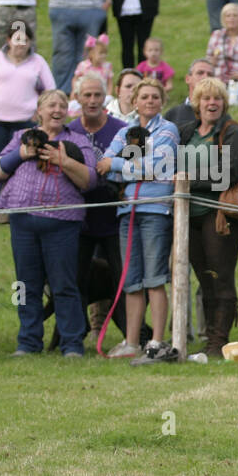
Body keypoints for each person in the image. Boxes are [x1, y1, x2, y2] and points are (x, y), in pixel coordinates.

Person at [0, 88, 97, 355]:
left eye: (62, 106)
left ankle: (71, 343)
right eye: (51, 105)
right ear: (39, 110)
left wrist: (63, 161)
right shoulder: (21, 137)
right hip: (23, 221)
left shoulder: (77, 140)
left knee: (64, 284)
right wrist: (22, 154)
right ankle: (27, 341)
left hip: (63, 223)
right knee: (24, 285)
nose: (56, 110)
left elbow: (90, 180)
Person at [97, 77, 179, 361]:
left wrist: (122, 164)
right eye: (144, 97)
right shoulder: (126, 131)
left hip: (155, 209)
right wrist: (126, 167)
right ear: (135, 101)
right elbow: (104, 166)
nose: (149, 101)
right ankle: (132, 341)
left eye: (155, 97)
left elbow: (156, 167)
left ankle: (156, 341)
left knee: (154, 277)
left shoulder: (168, 131)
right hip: (127, 210)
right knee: (132, 280)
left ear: (161, 102)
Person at [174, 75, 238, 358]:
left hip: (219, 214)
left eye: (217, 98)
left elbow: (227, 175)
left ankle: (218, 341)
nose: (212, 103)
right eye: (206, 98)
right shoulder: (186, 131)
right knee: (204, 277)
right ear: (197, 102)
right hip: (188, 216)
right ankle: (211, 337)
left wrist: (186, 181)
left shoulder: (232, 132)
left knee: (221, 276)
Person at [69, 72, 136, 348]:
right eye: (87, 95)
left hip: (114, 220)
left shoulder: (122, 129)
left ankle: (135, 337)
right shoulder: (70, 131)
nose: (93, 100)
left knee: (124, 282)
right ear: (78, 98)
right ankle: (71, 337)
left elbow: (136, 169)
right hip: (80, 222)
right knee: (75, 282)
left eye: (98, 95)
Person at [0, 24, 56, 222]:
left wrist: (39, 114)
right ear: (8, 40)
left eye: (25, 39)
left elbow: (50, 89)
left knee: (22, 164)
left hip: (24, 124)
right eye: (16, 39)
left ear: (30, 42)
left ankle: (15, 211)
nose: (20, 44)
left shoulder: (38, 62)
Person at [164, 56, 213, 126]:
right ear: (187, 79)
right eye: (200, 73)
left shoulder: (219, 115)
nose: (206, 77)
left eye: (210, 74)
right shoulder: (173, 114)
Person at [71, 33, 113, 98]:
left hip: (102, 94)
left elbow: (109, 82)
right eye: (100, 53)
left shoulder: (107, 66)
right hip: (86, 93)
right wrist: (75, 90)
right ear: (91, 54)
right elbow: (75, 79)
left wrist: (109, 94)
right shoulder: (83, 66)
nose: (103, 56)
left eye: (105, 53)